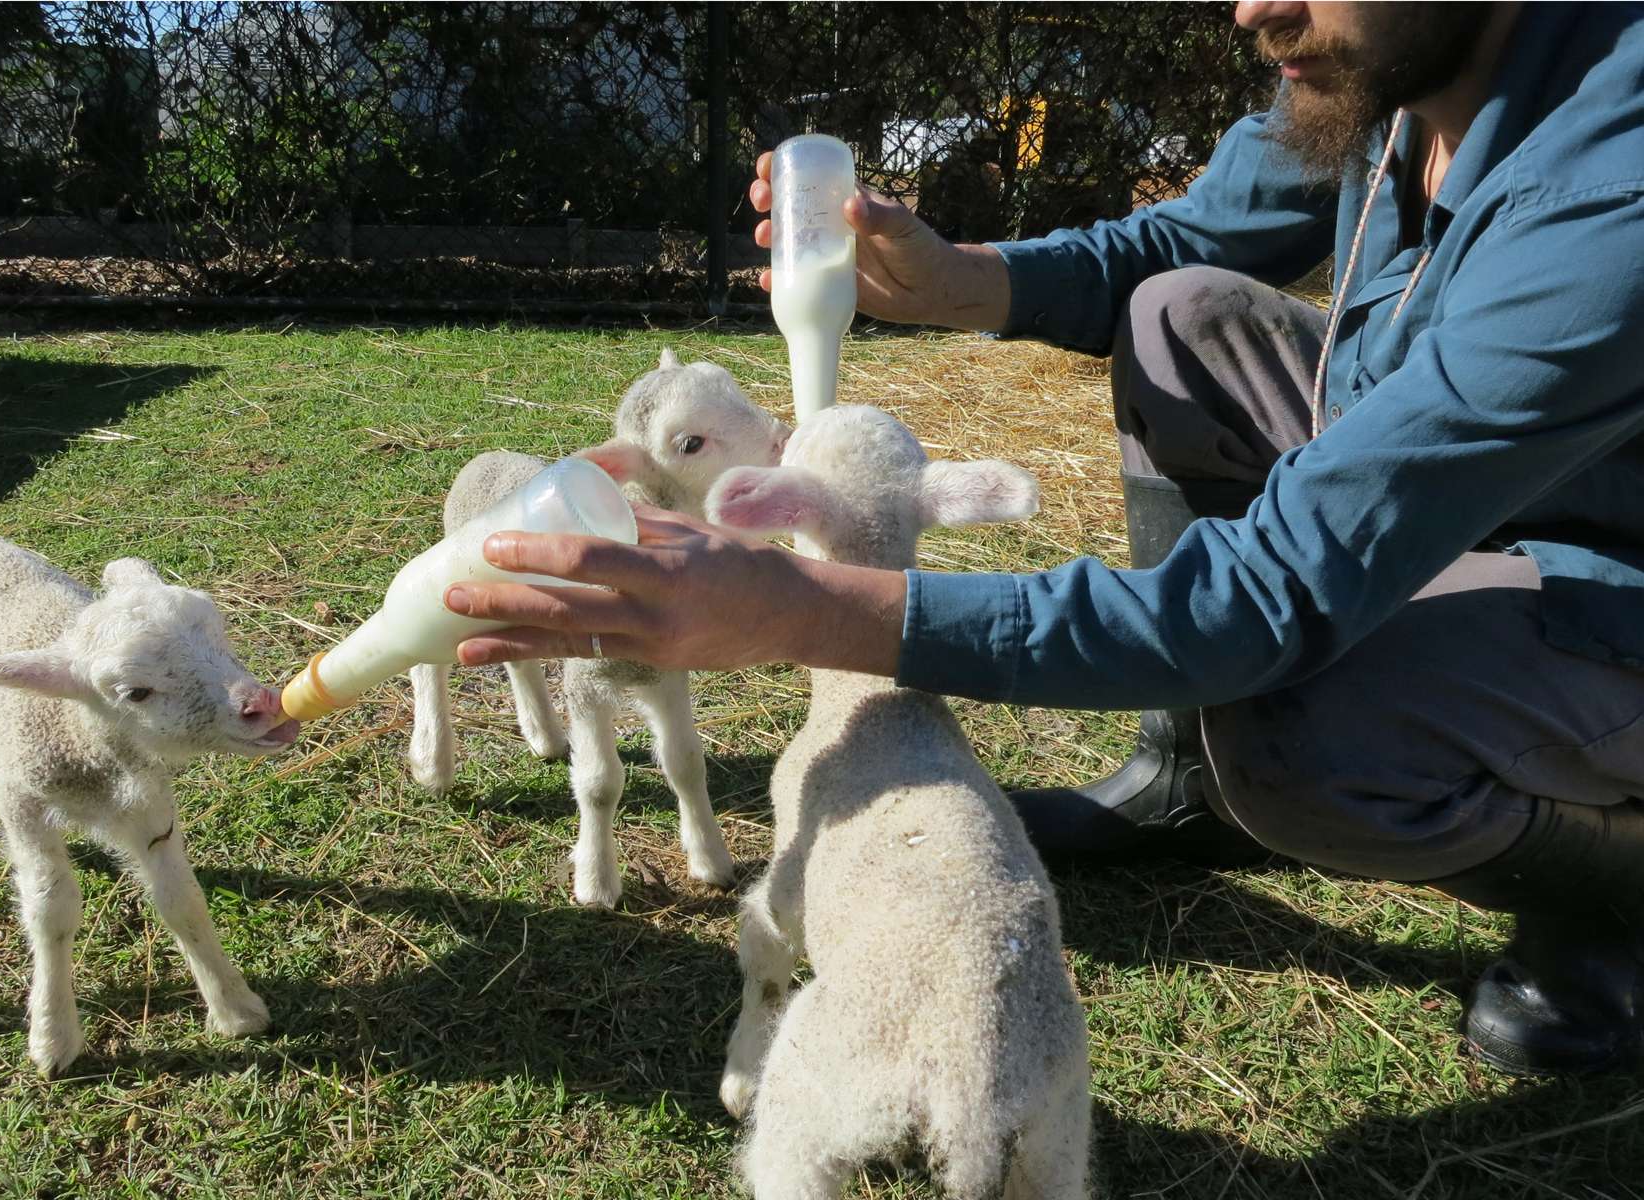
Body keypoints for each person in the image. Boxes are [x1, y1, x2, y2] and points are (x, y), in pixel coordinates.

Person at [442, 1, 1644, 1078]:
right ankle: (1189, 780)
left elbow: (1271, 594)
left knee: (1301, 730)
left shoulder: (1609, 187)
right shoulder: (1390, 66)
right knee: (1182, 316)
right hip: (1468, 497)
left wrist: (802, 611)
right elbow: (1182, 241)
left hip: (1608, 583)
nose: (1252, 11)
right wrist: (959, 279)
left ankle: (1613, 899)